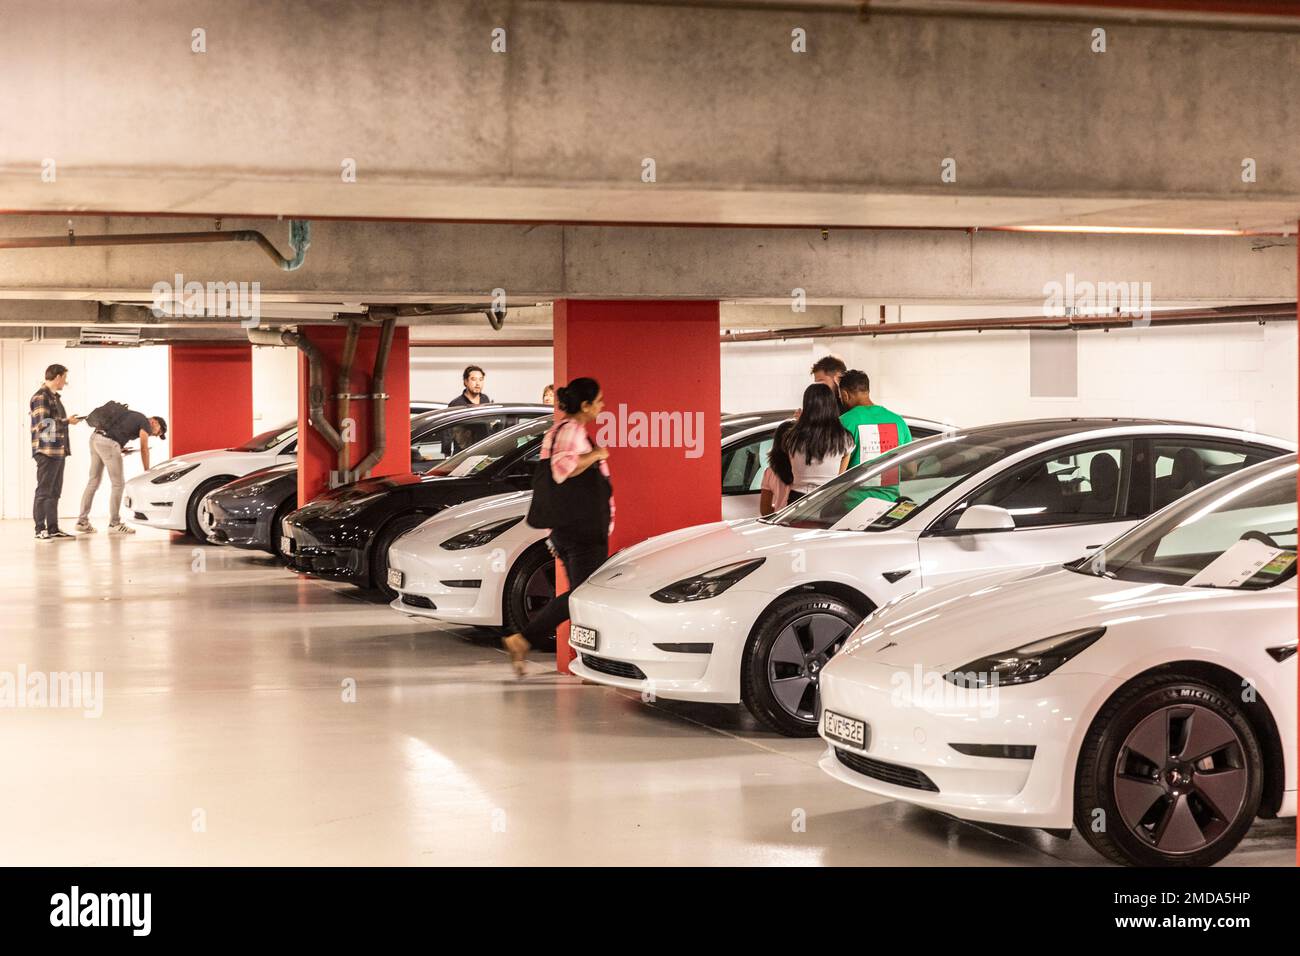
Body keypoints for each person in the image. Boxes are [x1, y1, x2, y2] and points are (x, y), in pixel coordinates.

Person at [501, 377, 613, 677]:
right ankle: (525, 639)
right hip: (581, 531)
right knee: (582, 597)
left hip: (574, 529)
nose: (602, 406)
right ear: (586, 405)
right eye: (598, 401)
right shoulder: (572, 431)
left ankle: (587, 662)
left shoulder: (566, 431)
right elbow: (564, 469)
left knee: (582, 596)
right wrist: (597, 455)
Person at [76, 405, 167, 534]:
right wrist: (147, 471)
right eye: (158, 431)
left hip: (95, 439)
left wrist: (120, 447)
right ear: (154, 421)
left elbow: (117, 430)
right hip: (108, 443)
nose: (155, 435)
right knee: (118, 484)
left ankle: (82, 522)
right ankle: (115, 524)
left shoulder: (134, 416)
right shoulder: (146, 422)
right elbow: (144, 448)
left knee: (93, 482)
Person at [839, 369, 913, 502]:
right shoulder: (898, 422)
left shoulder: (844, 422)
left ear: (845, 394)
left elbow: (835, 470)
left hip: (851, 505)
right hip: (887, 504)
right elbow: (912, 470)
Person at [30, 364, 82, 539]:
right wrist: (67, 421)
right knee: (44, 491)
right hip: (46, 452)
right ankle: (40, 529)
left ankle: (53, 528)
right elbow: (44, 424)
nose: (65, 382)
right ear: (58, 376)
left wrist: (66, 422)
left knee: (54, 492)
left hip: (58, 452)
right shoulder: (40, 397)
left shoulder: (54, 397)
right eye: (64, 378)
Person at [784, 383, 853, 498]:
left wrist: (800, 421)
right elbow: (842, 468)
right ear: (832, 405)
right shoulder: (844, 438)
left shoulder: (792, 436)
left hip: (797, 497)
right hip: (828, 497)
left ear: (806, 405)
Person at [759, 419, 794, 516]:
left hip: (780, 521)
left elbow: (765, 510)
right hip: (802, 519)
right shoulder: (806, 469)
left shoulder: (770, 472)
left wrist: (779, 511)